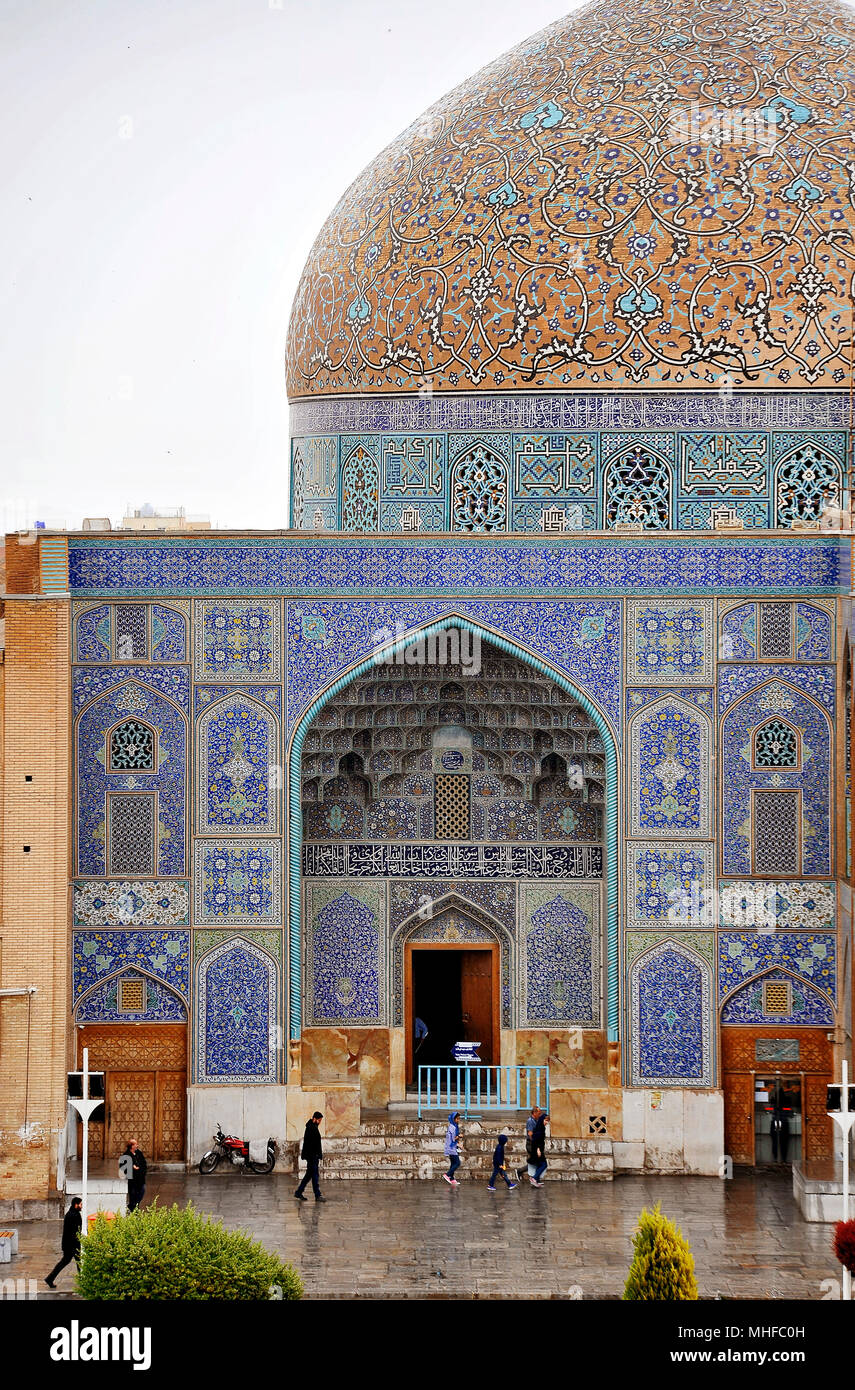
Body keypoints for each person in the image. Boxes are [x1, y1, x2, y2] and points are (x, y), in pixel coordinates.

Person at [45, 1196, 82, 1288]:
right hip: (72, 1245)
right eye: (81, 1204)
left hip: (70, 1244)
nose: (82, 1206)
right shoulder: (74, 1215)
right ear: (76, 1205)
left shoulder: (71, 1213)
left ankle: (50, 1278)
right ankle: (50, 1278)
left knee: (78, 1262)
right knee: (73, 1262)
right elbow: (75, 1231)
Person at [294, 1111, 326, 1201]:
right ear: (314, 1119)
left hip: (312, 1156)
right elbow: (311, 1144)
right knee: (315, 1175)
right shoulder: (311, 1128)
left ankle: (299, 1192)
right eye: (319, 1120)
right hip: (312, 1157)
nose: (320, 1122)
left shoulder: (312, 1127)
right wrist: (315, 1155)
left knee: (309, 1175)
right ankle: (317, 1195)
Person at [517, 1106, 543, 1182]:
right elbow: (530, 1134)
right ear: (534, 1113)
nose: (540, 1114)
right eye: (539, 1113)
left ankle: (534, 1178)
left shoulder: (536, 1120)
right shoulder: (530, 1121)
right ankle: (521, 1171)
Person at [124, 1139, 147, 1211]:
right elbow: (123, 1167)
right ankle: (133, 1207)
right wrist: (132, 1167)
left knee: (142, 1191)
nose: (137, 1145)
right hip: (132, 1178)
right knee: (133, 1193)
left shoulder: (139, 1153)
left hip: (140, 1177)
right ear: (131, 1146)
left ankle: (134, 1205)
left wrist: (142, 1170)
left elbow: (144, 1163)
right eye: (135, 1144)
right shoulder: (126, 1155)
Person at [530, 1111, 549, 1187]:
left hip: (539, 1149)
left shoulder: (541, 1127)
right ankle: (534, 1178)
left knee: (539, 1164)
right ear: (542, 1120)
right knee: (544, 1164)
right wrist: (538, 1150)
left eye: (548, 1121)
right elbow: (536, 1139)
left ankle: (536, 1180)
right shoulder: (540, 1128)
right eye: (546, 1120)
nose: (547, 1122)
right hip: (538, 1150)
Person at [443, 1111, 461, 1185]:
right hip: (451, 1148)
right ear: (453, 1119)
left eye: (459, 1119)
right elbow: (453, 1138)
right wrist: (459, 1136)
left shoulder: (453, 1126)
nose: (458, 1120)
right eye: (457, 1119)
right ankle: (447, 1175)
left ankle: (452, 1178)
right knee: (457, 1163)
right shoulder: (452, 1127)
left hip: (452, 1147)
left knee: (453, 1163)